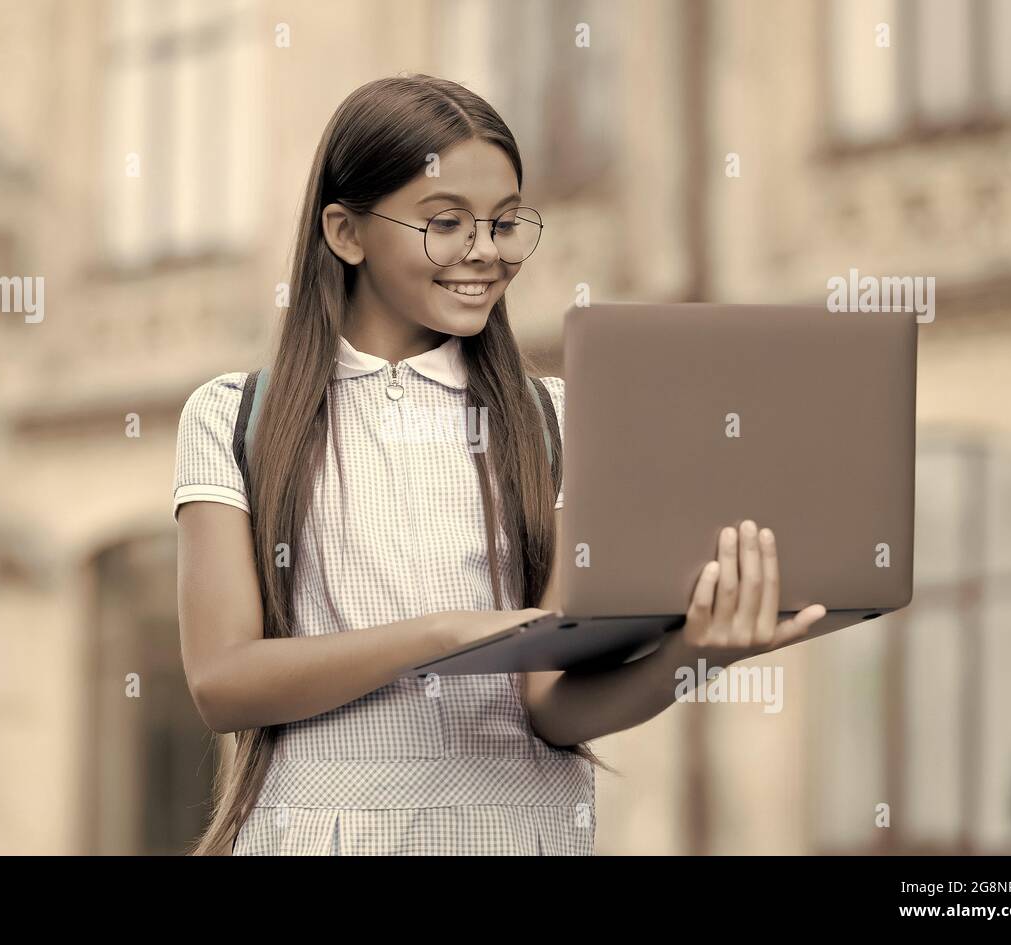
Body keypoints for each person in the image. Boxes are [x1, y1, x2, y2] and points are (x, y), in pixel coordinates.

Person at [173, 73, 826, 856]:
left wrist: (697, 654)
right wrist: (445, 634)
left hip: (524, 832)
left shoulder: (555, 417)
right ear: (345, 233)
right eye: (447, 222)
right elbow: (222, 681)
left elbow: (552, 706)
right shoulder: (234, 415)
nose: (487, 253)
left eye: (506, 223)